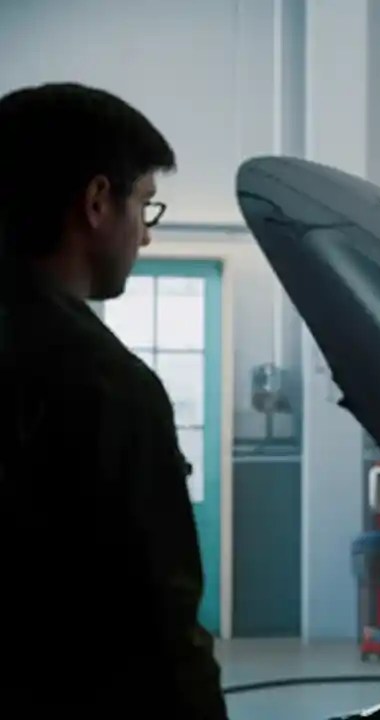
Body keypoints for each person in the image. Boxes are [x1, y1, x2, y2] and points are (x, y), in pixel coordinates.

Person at [0, 82, 227, 717]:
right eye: (146, 208)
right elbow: (160, 618)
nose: (145, 238)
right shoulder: (102, 383)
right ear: (98, 201)